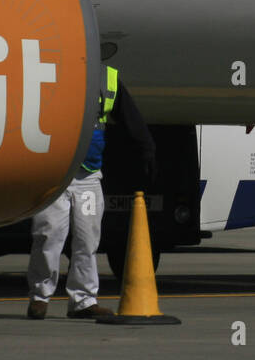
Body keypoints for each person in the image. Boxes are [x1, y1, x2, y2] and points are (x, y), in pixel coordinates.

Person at [27, 65, 157, 319]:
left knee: (87, 241)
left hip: (88, 176)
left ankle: (83, 301)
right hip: (55, 173)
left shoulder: (108, 78)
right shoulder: (49, 69)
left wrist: (146, 147)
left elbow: (130, 117)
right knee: (49, 236)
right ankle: (40, 296)